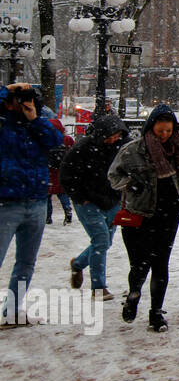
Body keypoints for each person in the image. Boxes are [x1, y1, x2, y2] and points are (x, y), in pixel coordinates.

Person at [107, 104, 179, 332]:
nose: (164, 135)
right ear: (151, 128)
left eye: (168, 131)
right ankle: (133, 295)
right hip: (139, 217)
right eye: (160, 130)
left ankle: (156, 313)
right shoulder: (133, 150)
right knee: (140, 265)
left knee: (161, 265)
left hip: (168, 217)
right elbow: (113, 175)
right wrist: (131, 184)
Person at [0, 82, 63, 322]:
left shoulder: (38, 120)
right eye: (19, 98)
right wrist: (7, 90)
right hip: (5, 201)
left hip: (36, 200)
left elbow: (55, 141)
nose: (23, 102)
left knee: (26, 262)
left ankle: (12, 312)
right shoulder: (3, 121)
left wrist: (34, 118)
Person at [60, 112, 129, 300]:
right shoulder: (82, 148)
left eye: (117, 135)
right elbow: (66, 174)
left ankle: (79, 264)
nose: (114, 138)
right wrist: (80, 197)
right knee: (100, 240)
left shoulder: (121, 147)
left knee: (104, 241)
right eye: (111, 135)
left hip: (111, 200)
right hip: (88, 201)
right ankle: (98, 288)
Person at [46, 114, 74, 226]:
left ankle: (47, 217)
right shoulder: (67, 139)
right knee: (63, 194)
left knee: (47, 196)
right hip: (62, 172)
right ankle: (68, 212)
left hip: (49, 172)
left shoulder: (46, 140)